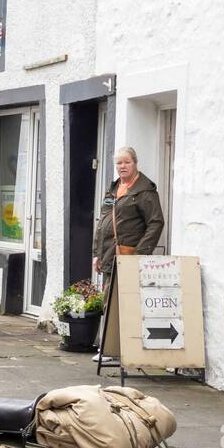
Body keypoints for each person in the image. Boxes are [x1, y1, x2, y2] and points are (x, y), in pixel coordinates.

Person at [92, 147, 166, 359]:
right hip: (108, 254)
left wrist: (139, 254)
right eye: (119, 163)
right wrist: (96, 252)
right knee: (109, 300)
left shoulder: (144, 191)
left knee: (121, 302)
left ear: (135, 163)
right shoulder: (114, 189)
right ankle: (107, 347)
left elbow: (156, 223)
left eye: (126, 162)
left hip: (128, 255)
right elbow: (102, 222)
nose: (122, 167)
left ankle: (111, 349)